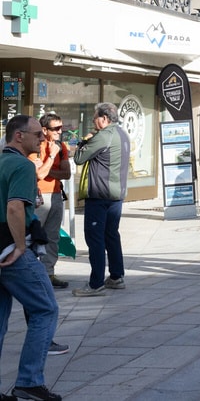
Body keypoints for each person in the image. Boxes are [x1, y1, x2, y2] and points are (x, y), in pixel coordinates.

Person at [0, 115, 62, 401]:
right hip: (11, 250)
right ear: (18, 136)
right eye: (37, 134)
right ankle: (29, 381)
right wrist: (19, 246)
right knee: (46, 309)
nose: (43, 138)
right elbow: (15, 208)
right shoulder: (23, 165)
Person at [72, 101, 130, 297]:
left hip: (100, 195)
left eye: (94, 117)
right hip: (116, 195)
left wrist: (84, 141)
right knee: (111, 234)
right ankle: (116, 276)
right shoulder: (122, 133)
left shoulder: (104, 136)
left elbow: (79, 158)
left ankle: (96, 284)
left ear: (104, 119)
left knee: (95, 238)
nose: (93, 121)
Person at [31, 114, 69, 289]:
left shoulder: (61, 146)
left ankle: (48, 274)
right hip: (38, 197)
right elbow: (38, 175)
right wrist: (52, 158)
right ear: (44, 130)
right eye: (56, 128)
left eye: (61, 128)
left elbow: (66, 174)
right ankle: (31, 274)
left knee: (52, 237)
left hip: (56, 195)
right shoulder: (35, 146)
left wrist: (47, 168)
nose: (59, 131)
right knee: (33, 236)